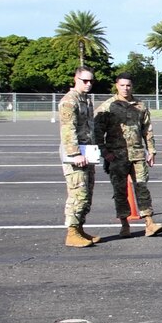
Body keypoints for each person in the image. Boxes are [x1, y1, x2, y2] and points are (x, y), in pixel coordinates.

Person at [94, 74, 162, 237]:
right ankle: (125, 225)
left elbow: (147, 129)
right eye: (122, 85)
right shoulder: (107, 107)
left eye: (128, 85)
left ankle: (149, 223)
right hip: (116, 156)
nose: (125, 88)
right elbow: (97, 131)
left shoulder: (140, 106)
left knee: (142, 188)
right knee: (120, 191)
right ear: (116, 86)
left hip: (138, 154)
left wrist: (151, 150)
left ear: (132, 86)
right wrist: (104, 152)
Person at [59, 67, 101, 248]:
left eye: (91, 81)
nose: (89, 84)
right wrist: (75, 153)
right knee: (78, 193)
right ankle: (72, 232)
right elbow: (68, 128)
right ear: (75, 79)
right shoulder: (70, 101)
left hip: (87, 153)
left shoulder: (85, 100)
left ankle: (80, 228)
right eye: (85, 81)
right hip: (76, 155)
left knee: (86, 193)